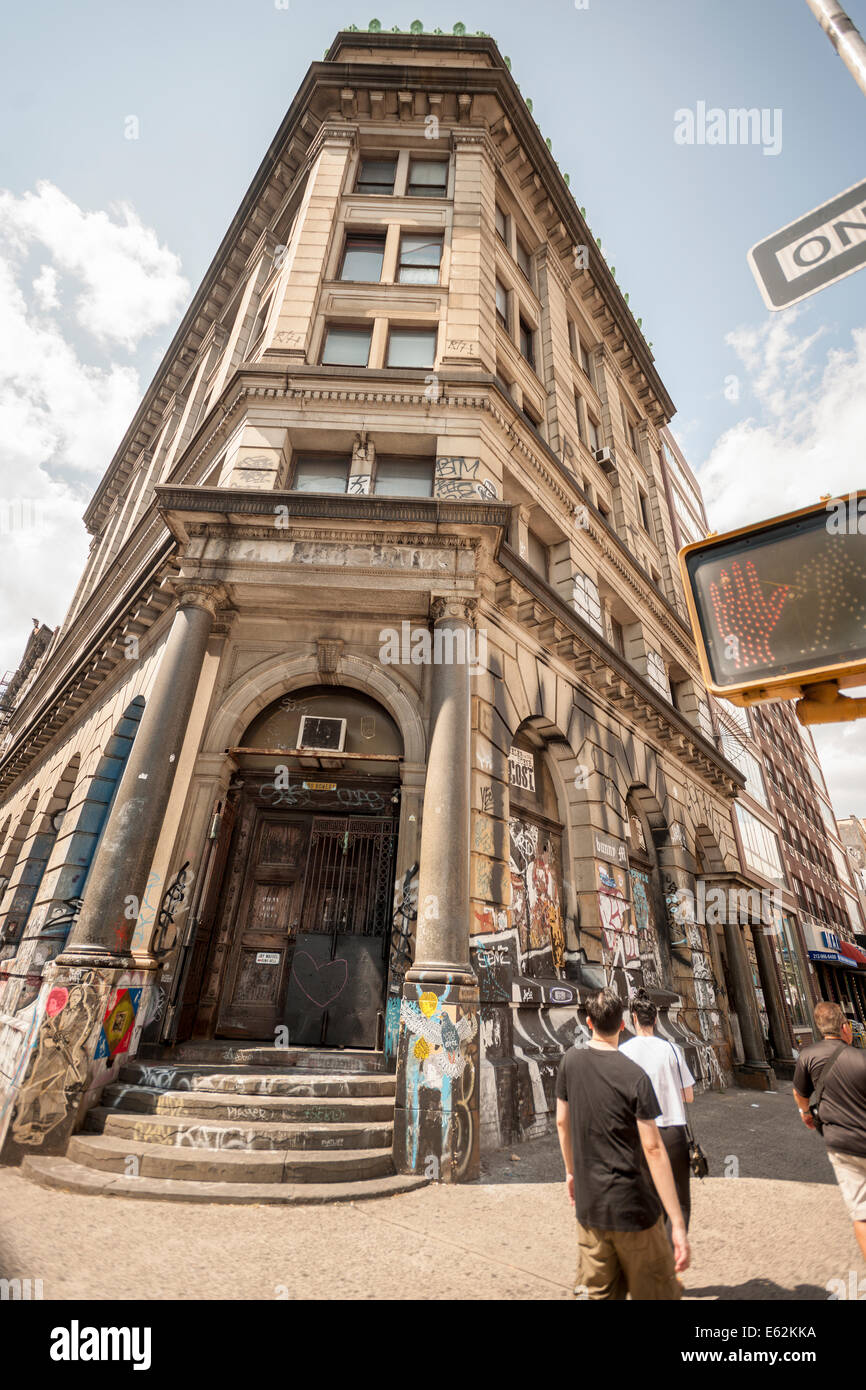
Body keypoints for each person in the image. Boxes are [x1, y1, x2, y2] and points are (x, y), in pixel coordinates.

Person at [556, 986, 690, 1300]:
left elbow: (562, 1122)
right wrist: (678, 1222)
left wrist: (571, 1172)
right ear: (621, 1025)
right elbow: (653, 1149)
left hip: (591, 1210)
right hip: (635, 1211)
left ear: (588, 1022)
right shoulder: (635, 1076)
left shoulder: (570, 1062)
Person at [792, 1000, 866, 1260]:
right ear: (845, 1028)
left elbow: (799, 1093)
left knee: (861, 1214)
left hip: (840, 1144)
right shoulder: (861, 1057)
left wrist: (804, 1113)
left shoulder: (808, 1056)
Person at [620, 987, 696, 1231]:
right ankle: (676, 1252)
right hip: (673, 1131)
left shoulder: (623, 1053)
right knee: (678, 1200)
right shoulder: (672, 1049)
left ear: (633, 1019)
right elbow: (689, 1095)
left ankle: (652, 1257)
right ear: (655, 1020)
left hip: (640, 1132)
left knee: (644, 1197)